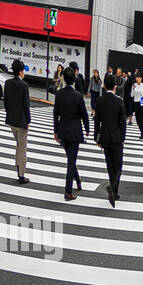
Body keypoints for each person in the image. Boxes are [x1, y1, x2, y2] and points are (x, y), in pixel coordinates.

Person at [52, 66, 90, 201]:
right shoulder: (78, 96)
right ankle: (68, 191)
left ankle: (78, 179)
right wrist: (87, 128)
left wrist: (55, 131)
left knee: (70, 159)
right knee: (71, 161)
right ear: (74, 79)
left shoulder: (59, 94)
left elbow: (55, 113)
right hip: (74, 131)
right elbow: (84, 114)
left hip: (63, 130)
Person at [94, 73, 129, 206]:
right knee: (118, 166)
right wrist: (123, 137)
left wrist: (96, 137)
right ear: (115, 86)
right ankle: (113, 188)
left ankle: (114, 190)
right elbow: (123, 122)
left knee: (110, 166)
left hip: (104, 137)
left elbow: (97, 121)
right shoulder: (119, 101)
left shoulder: (100, 101)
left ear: (104, 86)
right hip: (117, 138)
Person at [3, 59, 31, 185]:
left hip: (11, 120)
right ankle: (21, 174)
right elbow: (26, 105)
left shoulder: (7, 83)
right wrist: (28, 120)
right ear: (20, 72)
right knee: (22, 147)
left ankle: (17, 165)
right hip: (21, 121)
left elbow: (6, 101)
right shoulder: (24, 86)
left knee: (18, 144)